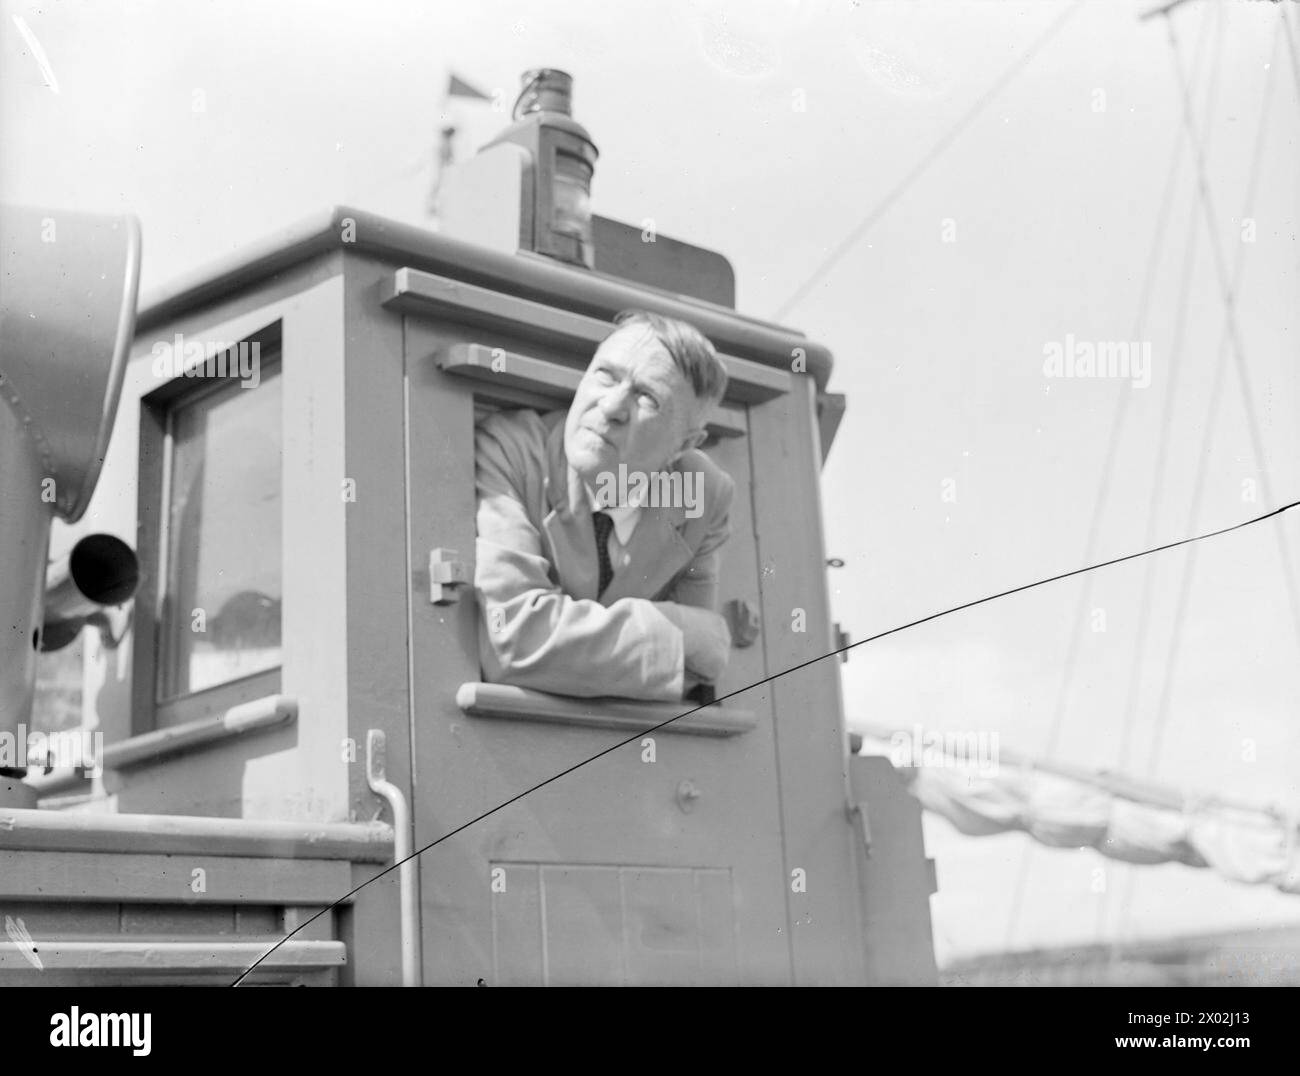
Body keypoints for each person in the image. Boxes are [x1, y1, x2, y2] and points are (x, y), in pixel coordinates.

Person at [474, 309, 734, 701]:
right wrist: (674, 630)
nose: (612, 406)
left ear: (683, 446)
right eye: (606, 375)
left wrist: (574, 646)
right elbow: (514, 639)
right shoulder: (512, 450)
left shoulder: (701, 493)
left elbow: (694, 676)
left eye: (647, 397)